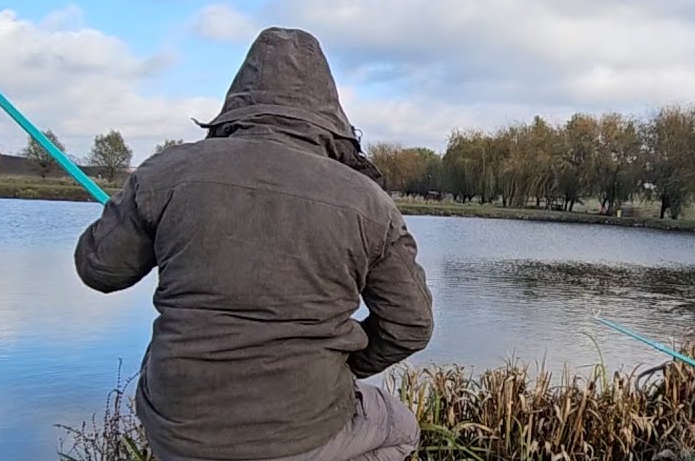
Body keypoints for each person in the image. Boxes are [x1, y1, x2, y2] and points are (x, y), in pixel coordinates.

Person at [74, 27, 434, 461]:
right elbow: (411, 325)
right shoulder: (369, 203)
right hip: (303, 424)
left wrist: (127, 205)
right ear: (329, 108)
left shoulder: (166, 172)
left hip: (175, 424)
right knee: (402, 431)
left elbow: (99, 268)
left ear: (238, 96)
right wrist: (347, 367)